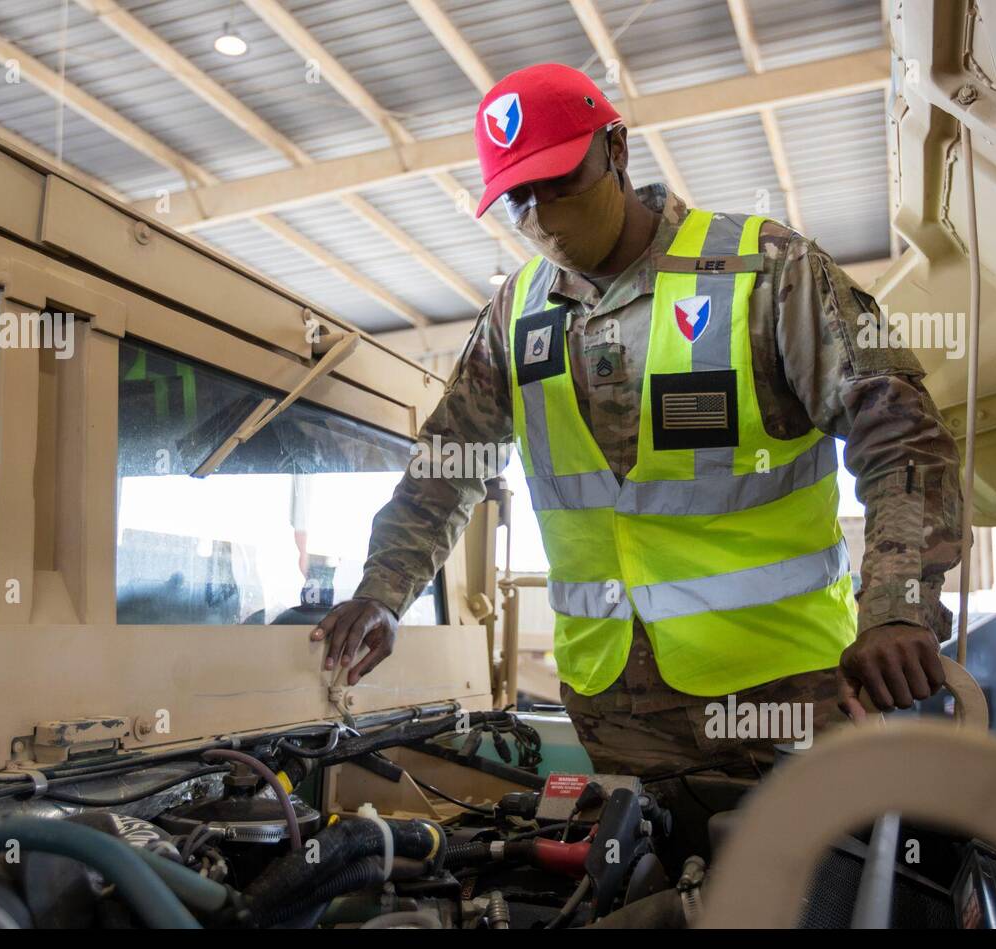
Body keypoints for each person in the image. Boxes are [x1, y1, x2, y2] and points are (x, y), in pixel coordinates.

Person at [311, 63, 963, 787]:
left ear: (616, 151)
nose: (542, 216)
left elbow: (902, 436)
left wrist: (900, 605)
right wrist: (383, 590)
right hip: (613, 705)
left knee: (806, 891)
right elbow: (447, 464)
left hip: (785, 691)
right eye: (518, 198)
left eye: (561, 181)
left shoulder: (765, 270)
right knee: (653, 892)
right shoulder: (514, 315)